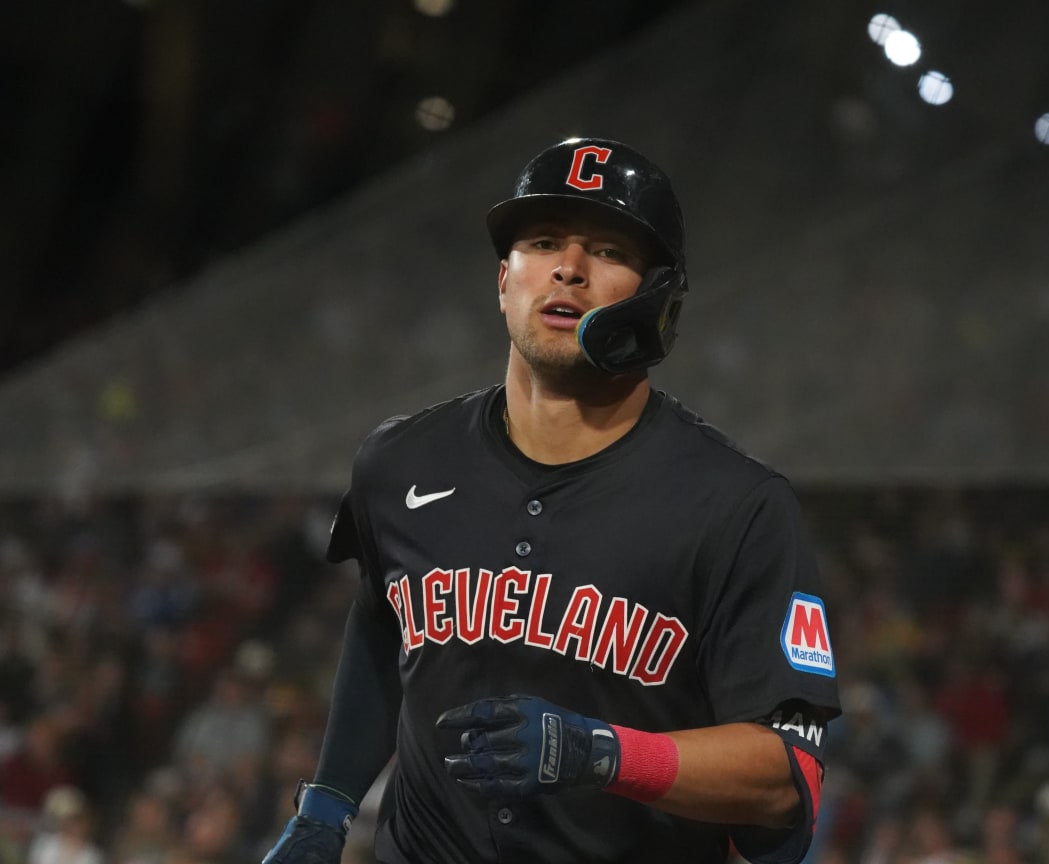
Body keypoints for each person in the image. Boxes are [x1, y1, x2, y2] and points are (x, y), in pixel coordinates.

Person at [261, 137, 842, 864]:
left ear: (659, 297)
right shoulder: (400, 460)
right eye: (542, 243)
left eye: (607, 250)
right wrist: (326, 806)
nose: (569, 267)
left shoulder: (738, 506)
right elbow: (381, 627)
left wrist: (602, 753)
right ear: (504, 279)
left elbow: (788, 780)